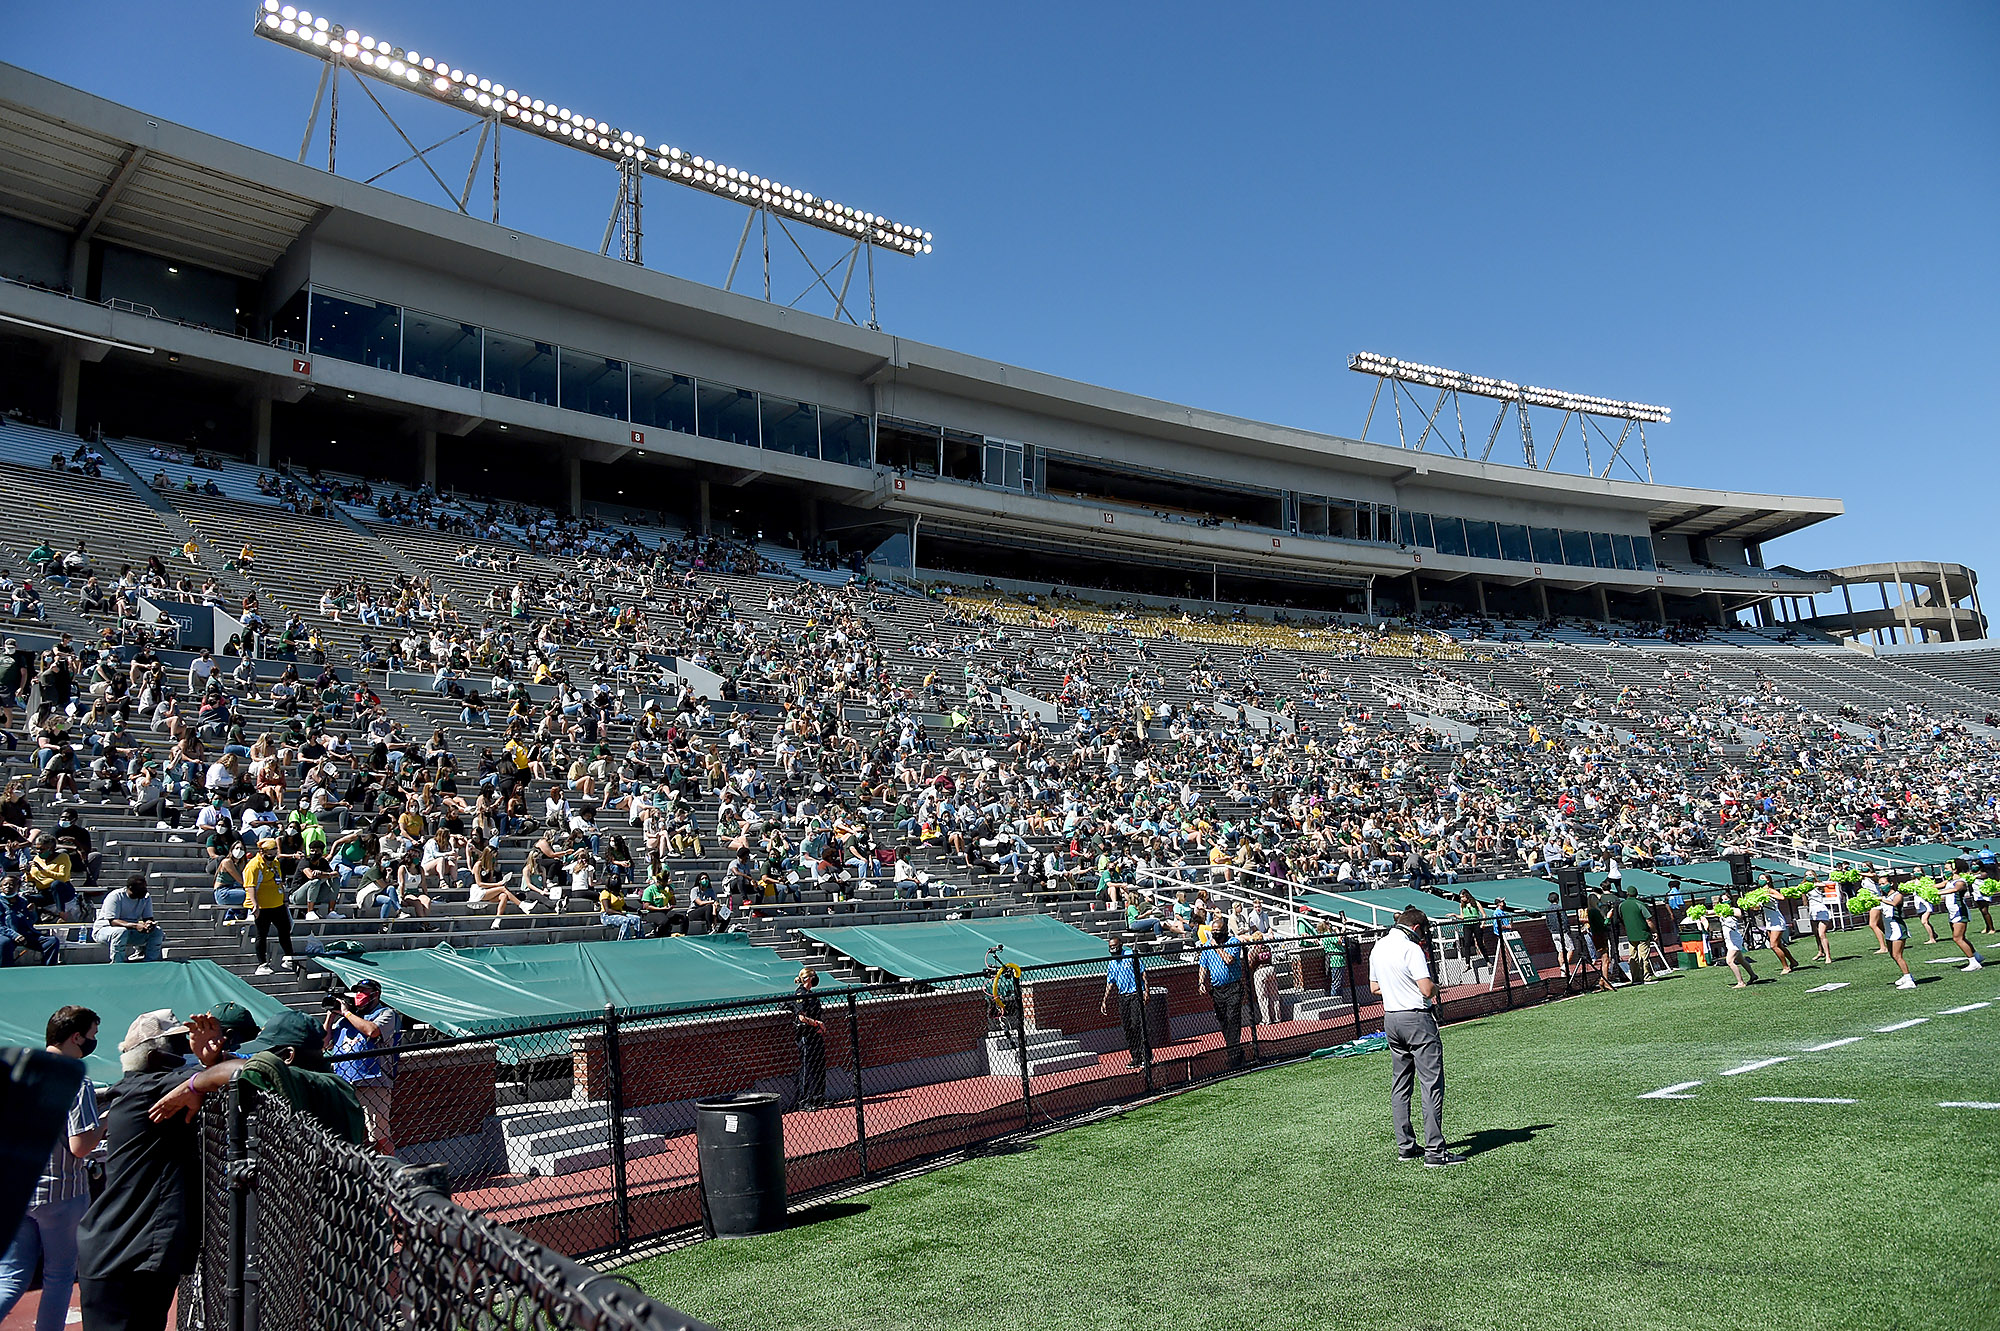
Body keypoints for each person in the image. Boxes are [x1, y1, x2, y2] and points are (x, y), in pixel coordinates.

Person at [75, 1010, 207, 1331]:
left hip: (121, 1254)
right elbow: (238, 1071)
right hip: (126, 1259)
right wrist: (195, 1079)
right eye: (177, 1046)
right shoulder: (151, 1090)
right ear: (155, 1055)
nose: (186, 1053)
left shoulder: (135, 1090)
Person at [0, 1006, 102, 1331]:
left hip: (18, 1190)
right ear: (76, 1037)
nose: (93, 1041)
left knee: (11, 1275)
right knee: (58, 1276)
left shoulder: (23, 1074)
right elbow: (80, 1147)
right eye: (92, 1035)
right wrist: (108, 1122)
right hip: (62, 1194)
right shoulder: (76, 1082)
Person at [145, 1010, 365, 1146]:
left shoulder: (327, 1086)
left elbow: (255, 1067)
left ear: (288, 1055)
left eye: (265, 1050)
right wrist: (214, 1059)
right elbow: (248, 1063)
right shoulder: (314, 1079)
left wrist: (194, 1085)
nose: (257, 1054)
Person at [1369, 907, 1462, 1168]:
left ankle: (1406, 1146)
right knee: (1431, 1083)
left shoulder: (1378, 947)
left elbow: (1375, 987)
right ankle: (1435, 1151)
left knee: (1400, 1084)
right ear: (1417, 929)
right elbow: (1426, 989)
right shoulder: (1411, 949)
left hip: (1392, 1019)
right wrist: (1435, 987)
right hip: (1417, 1019)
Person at [326, 978, 399, 1153]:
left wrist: (347, 1013)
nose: (360, 995)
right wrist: (331, 1015)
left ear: (376, 994)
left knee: (379, 1135)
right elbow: (324, 1042)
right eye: (358, 991)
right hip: (345, 1083)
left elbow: (372, 1031)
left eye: (364, 991)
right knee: (345, 1134)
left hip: (374, 1081)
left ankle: (391, 1172)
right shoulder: (345, 1020)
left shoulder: (386, 1014)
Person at [1195, 916, 1247, 1067]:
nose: (1215, 934)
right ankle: (1235, 1052)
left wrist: (1216, 947)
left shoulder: (1233, 942)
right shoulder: (1206, 946)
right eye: (1213, 931)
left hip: (1233, 988)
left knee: (1233, 1019)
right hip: (1217, 990)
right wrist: (1201, 982)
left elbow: (1229, 960)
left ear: (1224, 931)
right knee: (1224, 1021)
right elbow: (1203, 965)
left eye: (1218, 931)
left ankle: (1234, 1056)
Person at [245, 837, 296, 976]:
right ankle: (262, 963)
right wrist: (254, 904)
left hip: (277, 904)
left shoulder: (275, 863)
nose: (273, 854)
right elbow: (250, 886)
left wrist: (284, 899)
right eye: (270, 852)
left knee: (285, 930)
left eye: (274, 851)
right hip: (262, 906)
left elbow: (278, 881)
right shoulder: (254, 865)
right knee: (262, 934)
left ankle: (289, 958)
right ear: (262, 851)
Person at [1099, 938, 1148, 1070]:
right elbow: (1110, 981)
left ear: (1120, 945)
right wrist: (1105, 999)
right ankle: (1136, 1057)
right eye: (1110, 946)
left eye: (1114, 946)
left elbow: (1142, 972)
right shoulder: (1112, 962)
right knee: (1128, 1028)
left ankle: (1145, 1055)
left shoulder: (1130, 956)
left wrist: (1146, 990)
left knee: (1137, 1024)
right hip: (1123, 997)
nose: (1112, 948)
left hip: (1134, 995)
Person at [94, 873, 163, 963]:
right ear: (130, 887)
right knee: (121, 932)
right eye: (141, 888)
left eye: (145, 887)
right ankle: (117, 964)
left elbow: (148, 918)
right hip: (105, 930)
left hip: (130, 931)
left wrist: (149, 924)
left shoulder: (145, 897)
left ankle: (150, 962)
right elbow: (113, 921)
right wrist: (135, 926)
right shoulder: (115, 896)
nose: (145, 890)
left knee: (157, 931)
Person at [792, 966, 828, 1109]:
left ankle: (818, 1097)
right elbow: (801, 1017)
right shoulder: (800, 994)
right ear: (809, 978)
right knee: (807, 1068)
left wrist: (818, 1026)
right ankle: (804, 1101)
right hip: (806, 1035)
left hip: (815, 1034)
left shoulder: (811, 994)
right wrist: (817, 1023)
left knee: (819, 1066)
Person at [1938, 875, 1985, 972]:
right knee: (1961, 937)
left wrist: (1937, 893)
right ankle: (1977, 956)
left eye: (1947, 868)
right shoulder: (1949, 881)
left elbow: (1955, 889)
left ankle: (1973, 963)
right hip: (1953, 913)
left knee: (1957, 938)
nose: (1945, 871)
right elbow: (1938, 885)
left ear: (1955, 869)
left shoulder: (1960, 882)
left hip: (1960, 912)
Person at [1755, 878, 1799, 974]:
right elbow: (1757, 907)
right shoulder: (1759, 893)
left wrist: (1769, 894)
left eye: (1762, 878)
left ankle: (1786, 967)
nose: (1760, 880)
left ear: (1768, 881)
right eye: (1759, 879)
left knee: (1773, 945)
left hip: (1777, 921)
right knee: (1779, 945)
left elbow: (1782, 897)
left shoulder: (1770, 890)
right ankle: (1793, 961)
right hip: (1769, 922)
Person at [1616, 887, 1656, 985]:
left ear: (1627, 894)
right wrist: (1654, 932)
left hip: (1631, 935)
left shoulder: (1621, 905)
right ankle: (1646, 977)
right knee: (1644, 957)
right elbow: (1649, 920)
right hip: (1642, 934)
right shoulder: (1640, 904)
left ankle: (1636, 979)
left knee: (1633, 957)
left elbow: (1621, 919)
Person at [1880, 882, 1916, 990]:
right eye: (1880, 884)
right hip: (1889, 929)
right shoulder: (1885, 897)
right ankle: (1906, 976)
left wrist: (1881, 899)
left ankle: (1909, 980)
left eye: (1884, 883)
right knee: (1892, 954)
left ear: (1891, 883)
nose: (1882, 886)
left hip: (1897, 927)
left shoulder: (1897, 895)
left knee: (1897, 955)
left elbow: (1895, 903)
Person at [1717, 900, 1758, 989]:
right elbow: (1710, 912)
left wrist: (1728, 910)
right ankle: (1753, 975)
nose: (1725, 901)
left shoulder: (1734, 910)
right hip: (1728, 940)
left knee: (1729, 961)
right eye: (1723, 900)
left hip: (1735, 940)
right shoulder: (1719, 910)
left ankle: (1741, 982)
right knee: (1741, 960)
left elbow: (1739, 914)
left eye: (1726, 899)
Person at [1808, 874, 1840, 965]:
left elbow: (1824, 885)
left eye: (1810, 874)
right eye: (1807, 875)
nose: (1809, 876)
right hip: (1812, 912)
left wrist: (1813, 884)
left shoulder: (1818, 885)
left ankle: (1828, 956)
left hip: (1822, 911)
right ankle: (1820, 952)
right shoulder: (1805, 887)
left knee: (1822, 934)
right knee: (1816, 934)